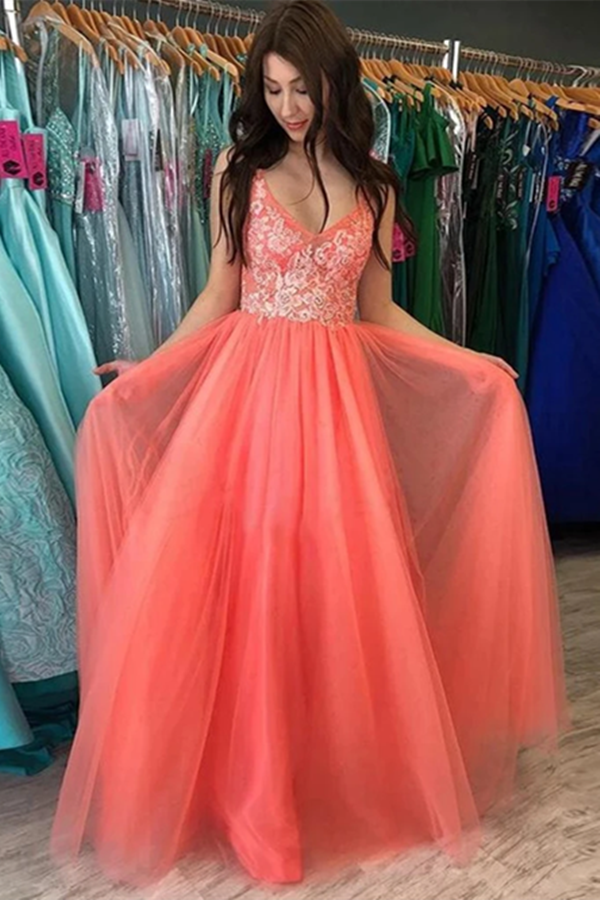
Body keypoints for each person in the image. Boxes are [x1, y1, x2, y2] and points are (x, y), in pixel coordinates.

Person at [52, 0, 568, 887]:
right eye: (274, 89)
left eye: (304, 88)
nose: (288, 107)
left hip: (337, 420)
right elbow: (217, 297)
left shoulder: (376, 185)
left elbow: (379, 312)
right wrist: (148, 373)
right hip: (247, 407)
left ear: (336, 82)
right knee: (256, 582)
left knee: (332, 589)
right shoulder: (237, 172)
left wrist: (469, 362)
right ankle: (257, 798)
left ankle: (318, 774)